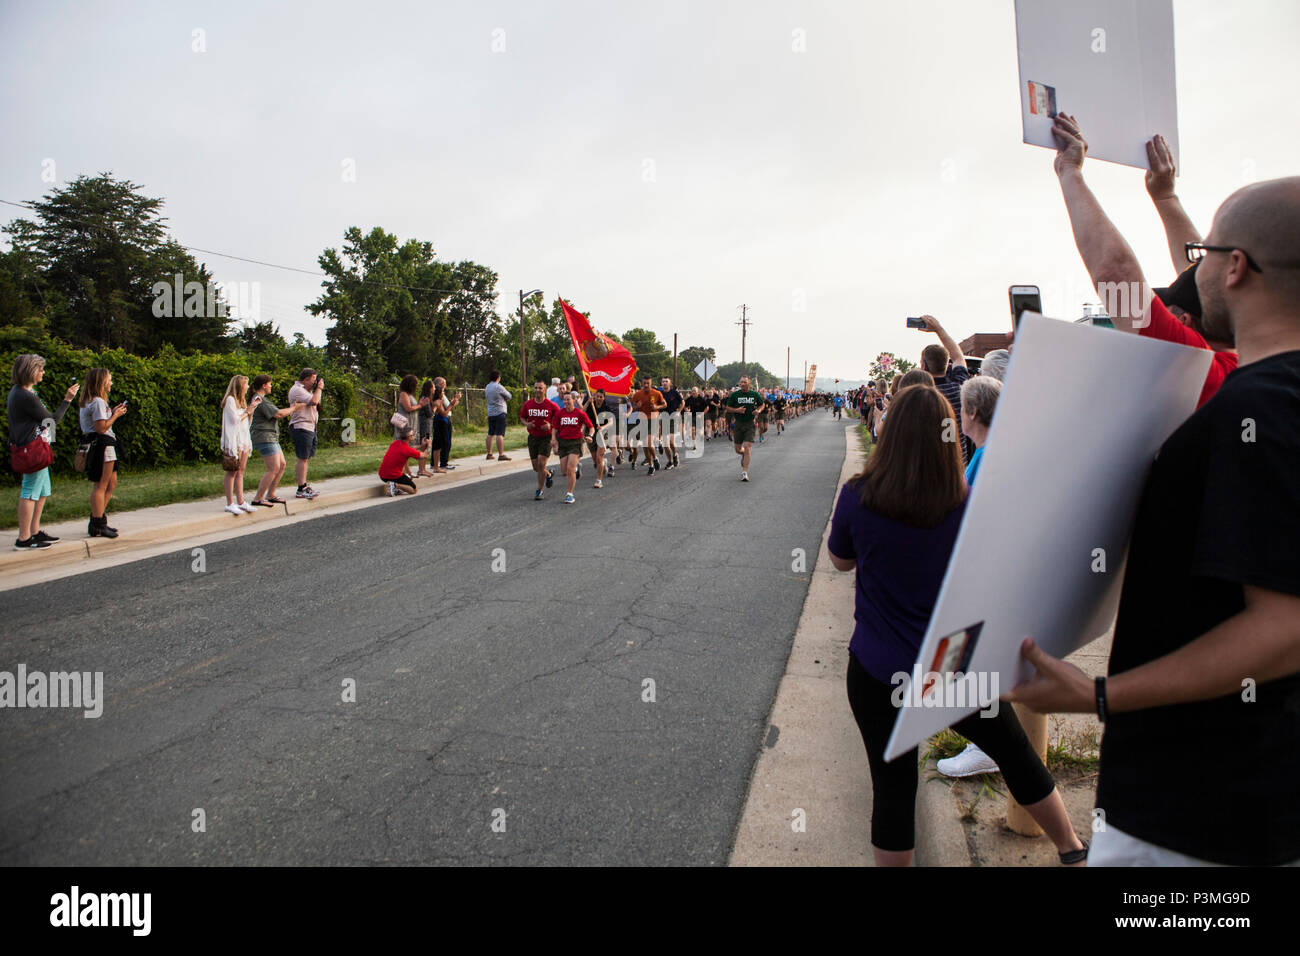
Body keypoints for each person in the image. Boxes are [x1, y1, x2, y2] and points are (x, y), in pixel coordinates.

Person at [1010, 174, 1300, 867]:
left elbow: (1287, 627)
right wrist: (1170, 204)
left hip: (1198, 815)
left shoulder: (1245, 405)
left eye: (1203, 255)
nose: (1189, 267)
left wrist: (1099, 694)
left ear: (1234, 269)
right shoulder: (1246, 387)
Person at [827, 384, 1087, 866]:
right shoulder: (968, 507)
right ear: (948, 439)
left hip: (877, 667)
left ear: (890, 433)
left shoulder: (858, 496)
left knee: (892, 791)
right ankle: (1072, 850)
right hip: (951, 662)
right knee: (1015, 754)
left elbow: (840, 562)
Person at [1052, 116, 1237, 408]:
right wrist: (1166, 197)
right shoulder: (1267, 361)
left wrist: (1069, 171)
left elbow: (1115, 275)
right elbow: (1200, 275)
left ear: (1184, 321)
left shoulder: (1208, 375)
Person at [8, 353, 78, 549]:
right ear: (30, 371)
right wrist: (67, 400)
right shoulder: (24, 396)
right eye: (40, 369)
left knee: (42, 490)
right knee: (30, 491)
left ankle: (35, 531)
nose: (43, 372)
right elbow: (51, 420)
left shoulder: (21, 392)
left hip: (34, 446)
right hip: (31, 449)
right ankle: (24, 538)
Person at [75, 366, 126, 539]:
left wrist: (111, 412)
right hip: (102, 445)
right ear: (101, 382)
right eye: (109, 379)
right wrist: (115, 415)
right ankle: (98, 523)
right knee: (101, 485)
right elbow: (101, 427)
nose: (111, 383)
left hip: (101, 444)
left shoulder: (89, 401)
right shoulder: (97, 401)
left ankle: (97, 517)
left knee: (111, 483)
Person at [916, 315, 970, 462]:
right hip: (959, 463)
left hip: (930, 464)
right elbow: (959, 357)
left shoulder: (920, 397)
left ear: (923, 366)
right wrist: (939, 329)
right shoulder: (960, 388)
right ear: (947, 364)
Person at [248, 374, 305, 507]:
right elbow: (278, 414)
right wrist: (294, 409)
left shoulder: (262, 399)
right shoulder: (259, 399)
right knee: (273, 468)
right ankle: (258, 498)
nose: (271, 386)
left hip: (271, 437)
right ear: (264, 385)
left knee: (282, 465)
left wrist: (292, 409)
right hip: (265, 437)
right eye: (269, 384)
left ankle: (271, 495)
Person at [220, 375, 258, 515]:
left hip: (243, 439)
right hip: (234, 440)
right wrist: (247, 411)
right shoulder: (230, 400)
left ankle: (241, 501)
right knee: (232, 471)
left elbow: (245, 423)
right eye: (246, 384)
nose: (248, 387)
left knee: (241, 471)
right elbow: (234, 420)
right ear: (240, 386)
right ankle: (230, 503)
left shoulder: (241, 401)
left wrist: (250, 410)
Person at [287, 368, 324, 499]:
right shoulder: (297, 390)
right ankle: (301, 488)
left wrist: (316, 390)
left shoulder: (306, 391)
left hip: (310, 426)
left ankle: (304, 485)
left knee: (306, 458)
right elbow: (314, 401)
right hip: (301, 426)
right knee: (303, 458)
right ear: (306, 379)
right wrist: (319, 388)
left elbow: (316, 402)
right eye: (314, 380)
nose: (315, 382)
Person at [519, 382, 558, 500]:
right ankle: (549, 474)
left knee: (541, 463)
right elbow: (522, 417)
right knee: (536, 467)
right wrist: (527, 424)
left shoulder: (551, 405)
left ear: (545, 390)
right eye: (536, 388)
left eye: (540, 388)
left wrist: (550, 426)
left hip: (546, 438)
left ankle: (539, 490)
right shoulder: (528, 404)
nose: (537, 390)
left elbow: (559, 420)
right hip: (533, 437)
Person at [554, 391, 593, 504]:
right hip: (563, 442)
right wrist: (554, 440)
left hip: (576, 442)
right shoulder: (560, 413)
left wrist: (590, 436)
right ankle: (577, 467)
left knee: (570, 469)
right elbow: (555, 429)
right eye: (564, 400)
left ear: (574, 400)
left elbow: (591, 427)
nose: (566, 402)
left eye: (568, 399)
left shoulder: (580, 413)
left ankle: (570, 494)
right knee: (564, 471)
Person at [724, 375, 764, 482]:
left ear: (749, 383)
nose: (742, 384)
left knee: (747, 447)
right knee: (738, 449)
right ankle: (744, 455)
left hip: (750, 423)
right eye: (741, 382)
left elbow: (762, 404)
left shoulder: (754, 394)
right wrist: (737, 410)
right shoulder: (735, 395)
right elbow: (727, 408)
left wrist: (758, 411)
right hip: (738, 423)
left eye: (744, 382)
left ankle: (744, 472)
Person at [379, 426, 430, 496]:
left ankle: (395, 488)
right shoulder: (407, 450)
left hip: (382, 475)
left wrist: (421, 446)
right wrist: (428, 445)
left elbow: (409, 449)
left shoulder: (396, 443)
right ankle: (395, 485)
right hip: (393, 475)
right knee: (414, 490)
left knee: (405, 476)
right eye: (413, 435)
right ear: (409, 437)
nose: (414, 436)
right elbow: (425, 455)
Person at [631, 377, 666, 475]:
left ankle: (654, 458)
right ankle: (651, 464)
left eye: (648, 383)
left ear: (651, 383)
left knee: (648, 441)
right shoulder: (637, 395)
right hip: (642, 420)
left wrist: (656, 407)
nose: (646, 385)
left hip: (653, 419)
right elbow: (631, 408)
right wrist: (636, 407)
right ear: (642, 384)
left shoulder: (657, 393)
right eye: (644, 383)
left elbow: (664, 404)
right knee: (645, 445)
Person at [429, 377, 460, 472]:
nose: (445, 385)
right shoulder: (437, 399)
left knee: (439, 443)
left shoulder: (440, 397)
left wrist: (454, 402)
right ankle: (443, 463)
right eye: (443, 383)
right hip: (441, 421)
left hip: (444, 420)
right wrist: (451, 405)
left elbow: (448, 407)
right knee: (444, 442)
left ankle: (435, 463)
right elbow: (443, 413)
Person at [583, 388, 611, 486]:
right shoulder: (590, 405)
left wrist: (603, 427)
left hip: (602, 433)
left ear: (604, 398)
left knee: (599, 458)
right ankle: (603, 463)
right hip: (590, 433)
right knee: (595, 460)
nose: (598, 398)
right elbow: (581, 413)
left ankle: (599, 481)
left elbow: (611, 422)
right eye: (597, 396)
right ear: (594, 396)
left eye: (601, 397)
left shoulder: (606, 407)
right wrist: (587, 402)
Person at [484, 370, 512, 461]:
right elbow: (509, 396)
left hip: (490, 412)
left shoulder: (487, 387)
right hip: (500, 412)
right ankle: (501, 454)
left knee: (490, 433)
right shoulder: (498, 387)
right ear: (498, 378)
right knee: (500, 434)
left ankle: (489, 453)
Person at [413, 378, 435, 477]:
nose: (434, 389)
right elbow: (429, 413)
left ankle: (423, 468)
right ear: (430, 388)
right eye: (433, 387)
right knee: (424, 445)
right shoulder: (426, 398)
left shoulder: (426, 397)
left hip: (426, 424)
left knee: (426, 445)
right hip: (425, 425)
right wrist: (435, 407)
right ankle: (421, 469)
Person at [659, 377, 683, 468]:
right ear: (661, 383)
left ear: (670, 383)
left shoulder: (674, 392)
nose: (664, 383)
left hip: (673, 418)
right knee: (666, 443)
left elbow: (683, 403)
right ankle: (670, 461)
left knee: (671, 442)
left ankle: (675, 454)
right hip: (664, 418)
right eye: (663, 381)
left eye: (666, 381)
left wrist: (678, 412)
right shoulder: (659, 394)